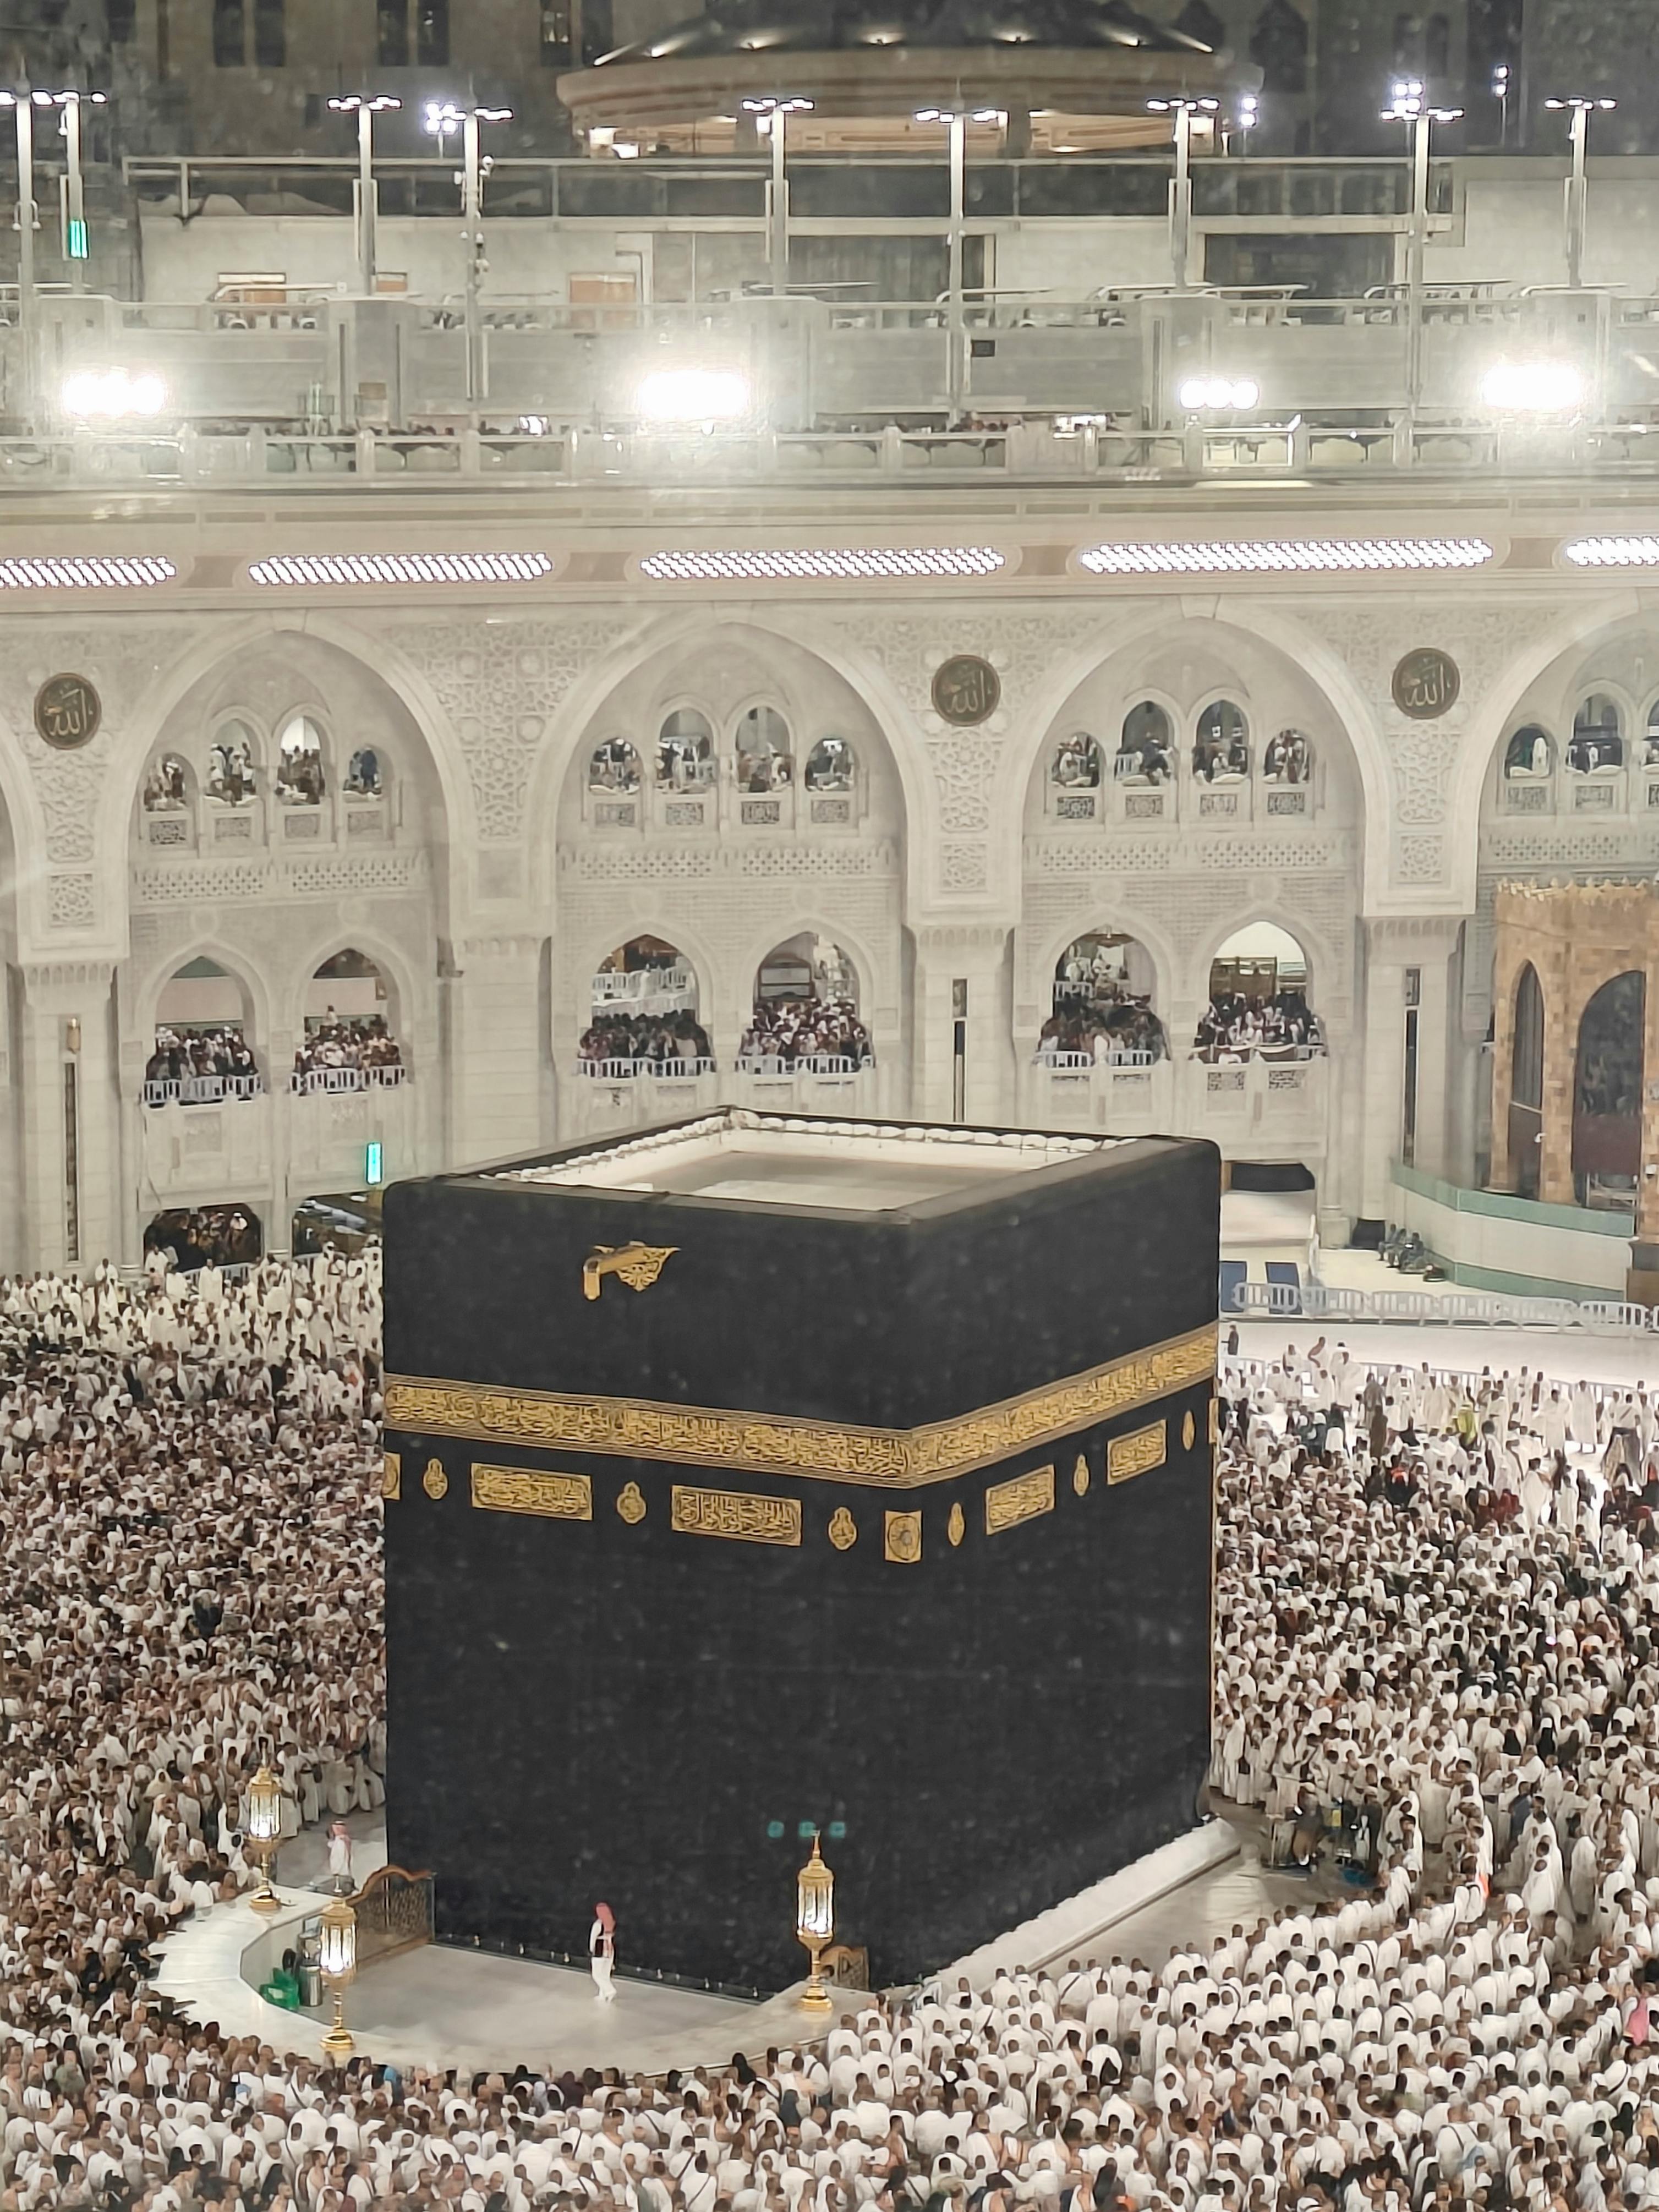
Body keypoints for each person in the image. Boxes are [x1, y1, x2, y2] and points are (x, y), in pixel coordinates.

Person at [589, 1899, 617, 2002]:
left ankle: (610, 1991)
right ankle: (603, 1994)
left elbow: (593, 1938)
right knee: (605, 1973)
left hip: (600, 1950)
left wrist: (591, 1949)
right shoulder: (612, 1923)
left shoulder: (598, 1924)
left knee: (596, 1974)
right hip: (610, 1950)